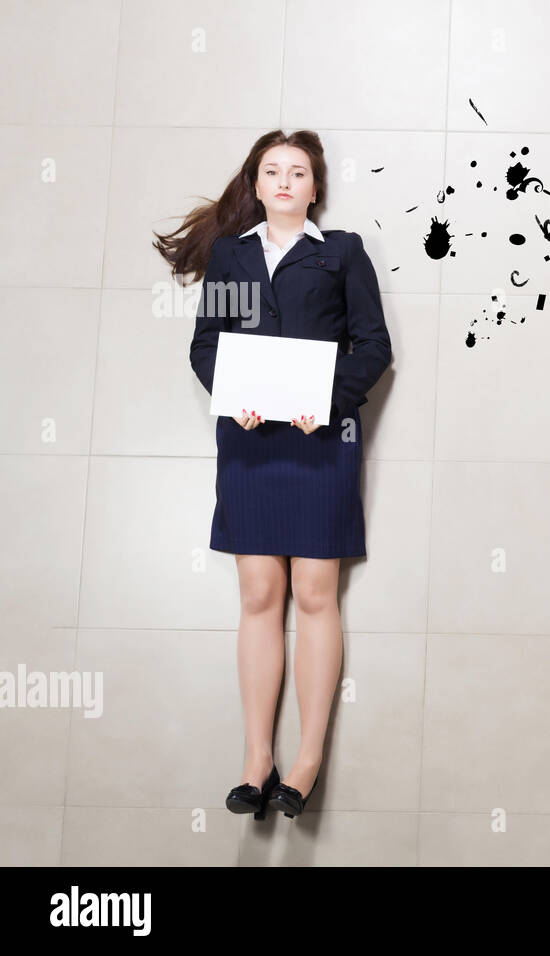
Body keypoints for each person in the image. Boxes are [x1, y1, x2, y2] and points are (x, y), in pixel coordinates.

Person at [154, 129, 393, 820]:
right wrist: (234, 396)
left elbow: (373, 347)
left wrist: (328, 401)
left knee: (317, 593)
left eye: (298, 172)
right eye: (271, 171)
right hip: (252, 442)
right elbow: (207, 345)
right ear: (256, 186)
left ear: (315, 189)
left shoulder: (343, 252)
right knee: (259, 592)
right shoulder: (231, 256)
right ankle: (257, 757)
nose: (285, 181)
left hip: (322, 442)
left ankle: (308, 757)